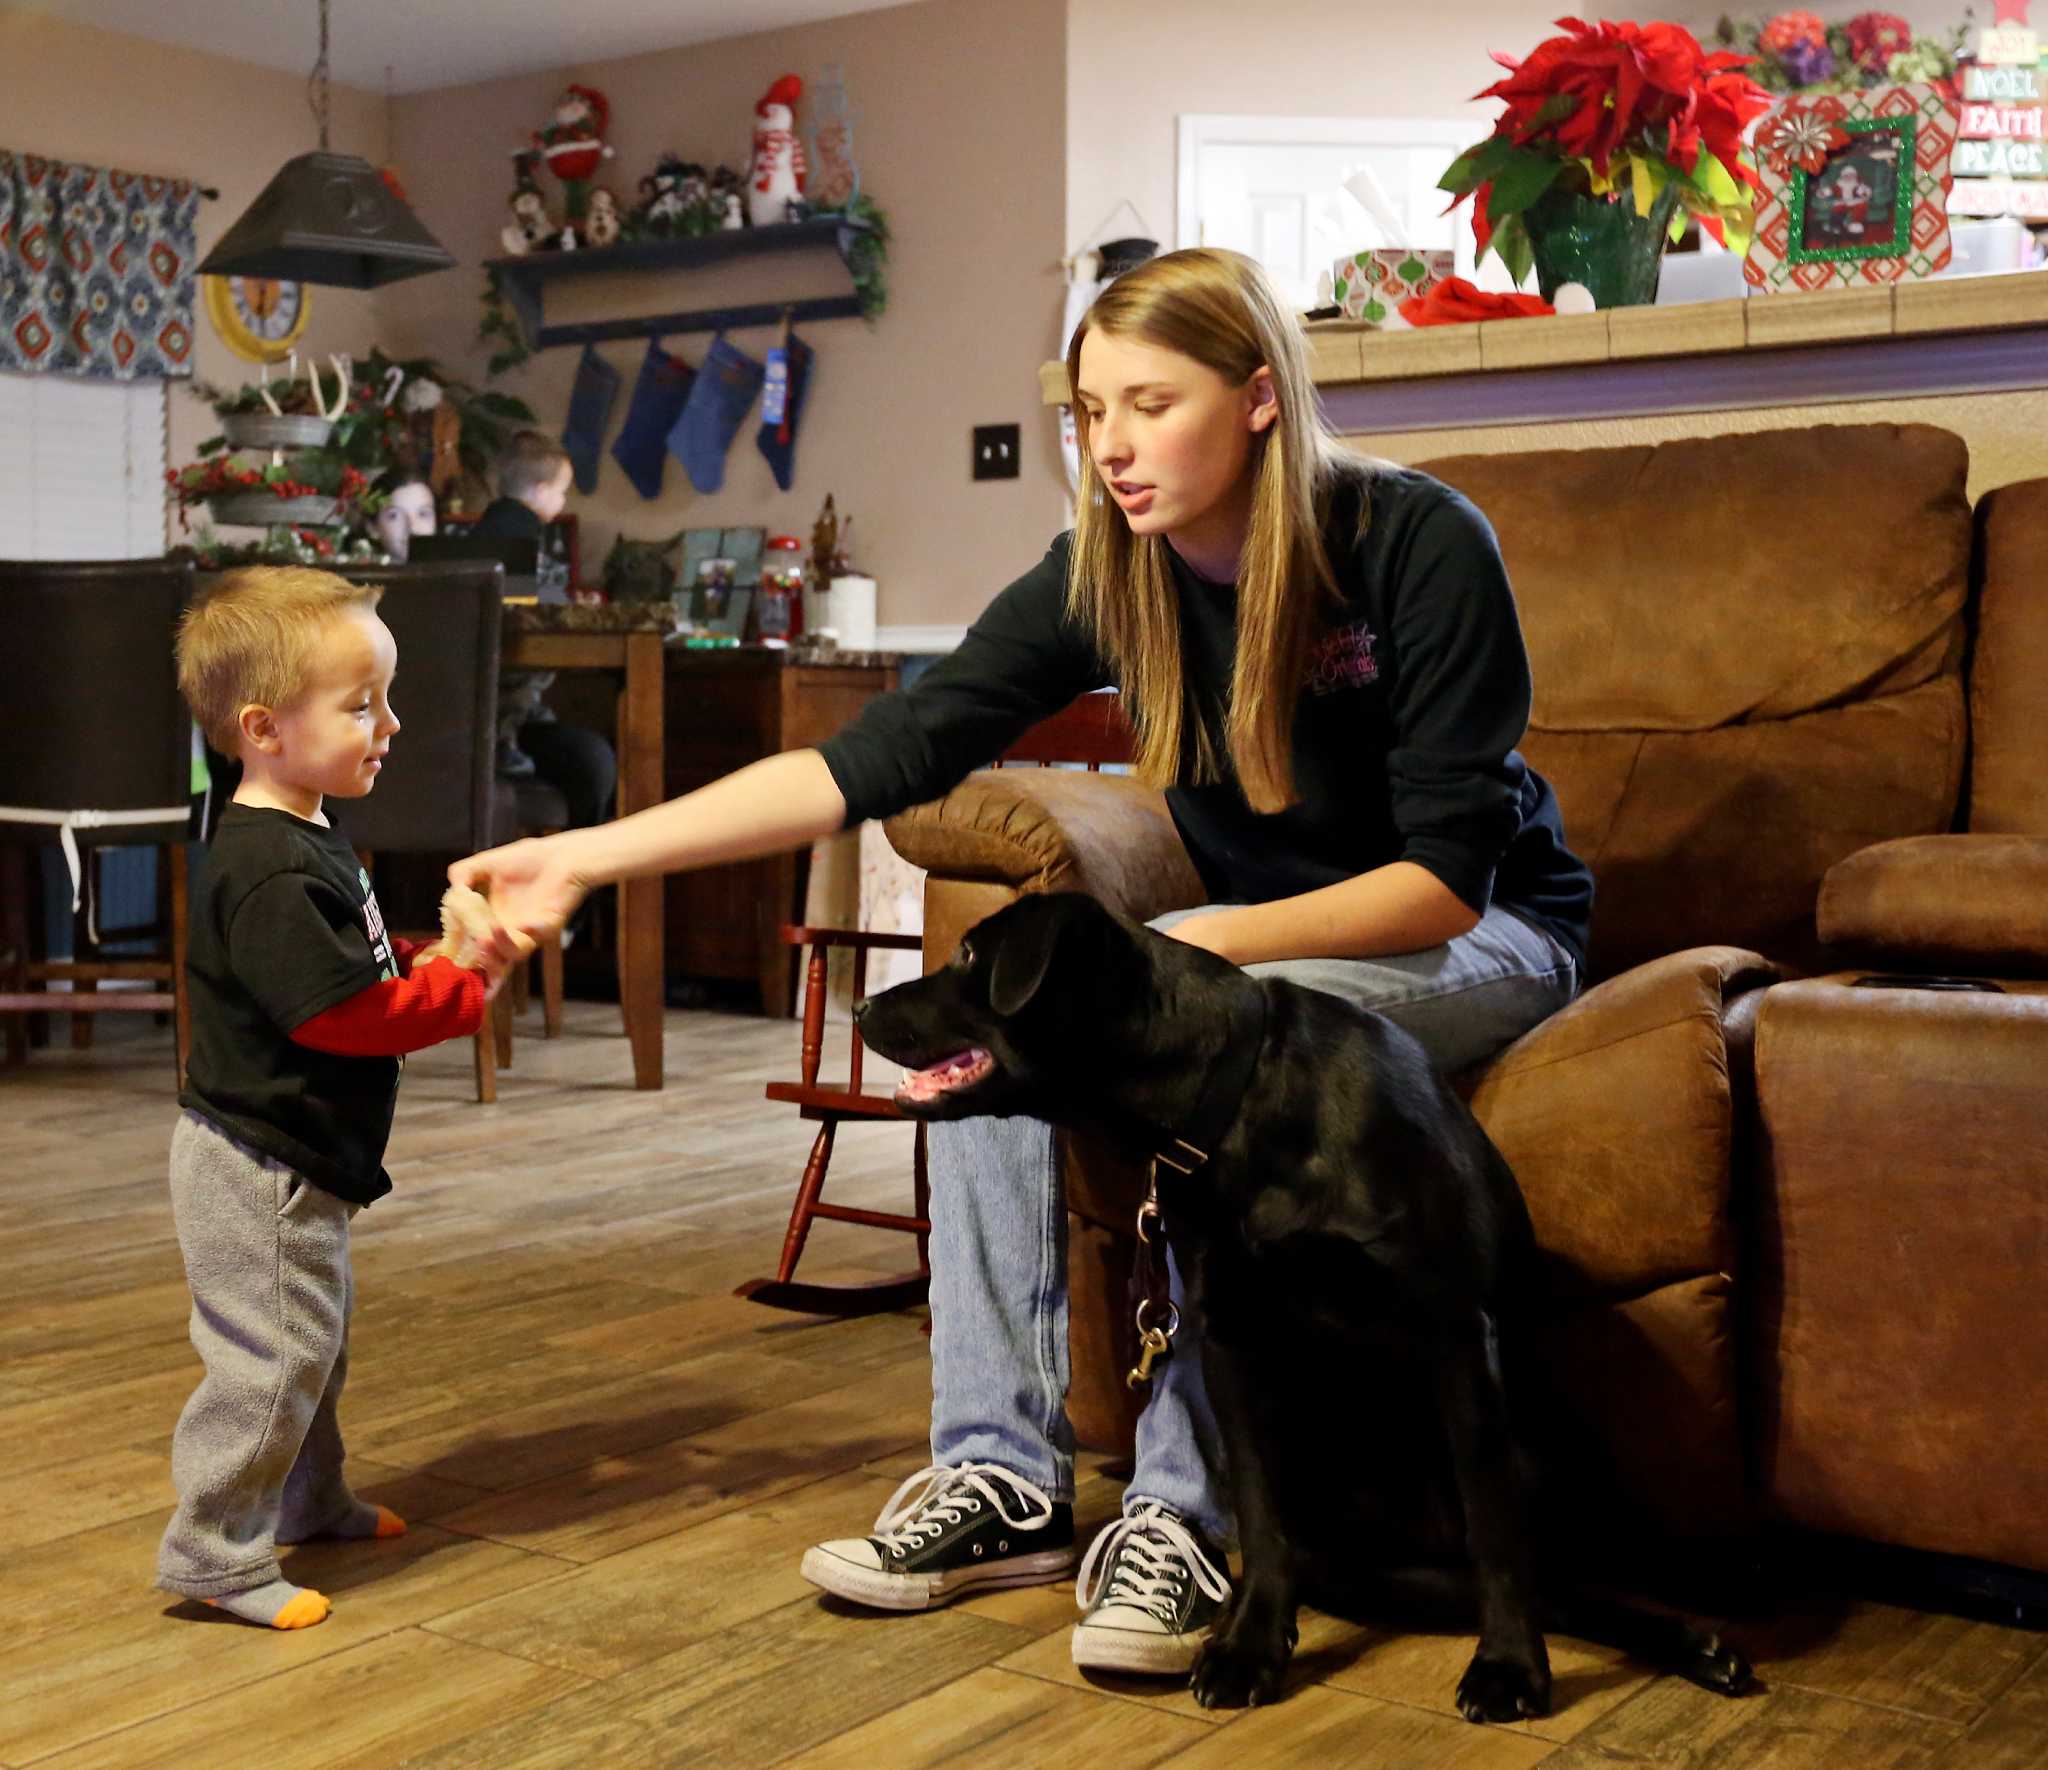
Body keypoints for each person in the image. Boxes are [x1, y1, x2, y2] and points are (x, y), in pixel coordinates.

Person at [450, 247, 1594, 1682]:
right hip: (1253, 957)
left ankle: (1186, 1517)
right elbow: (879, 756)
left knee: (1207, 1035)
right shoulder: (1108, 573)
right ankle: (1001, 1476)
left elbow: (1441, 883)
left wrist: (1207, 940)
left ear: (1255, 400)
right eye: (1088, 408)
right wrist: (590, 857)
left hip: (1487, 934)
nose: (1112, 444)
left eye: (1150, 402)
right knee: (990, 1041)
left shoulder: (1418, 545)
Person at [161, 568, 518, 1629]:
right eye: (362, 706)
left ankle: (309, 1501)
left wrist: (419, 953)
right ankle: (214, 1553)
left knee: (314, 1345)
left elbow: (344, 966)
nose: (390, 725)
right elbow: (338, 1016)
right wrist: (455, 988)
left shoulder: (307, 838)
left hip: (299, 1157)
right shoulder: (269, 865)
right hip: (257, 1163)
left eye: (386, 700)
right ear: (264, 728)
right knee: (272, 1361)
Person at [473, 432, 618, 830]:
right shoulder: (531, 542)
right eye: (562, 491)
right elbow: (548, 604)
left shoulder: (470, 541)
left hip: (456, 728)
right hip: (511, 727)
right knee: (594, 760)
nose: (563, 502)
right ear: (539, 492)